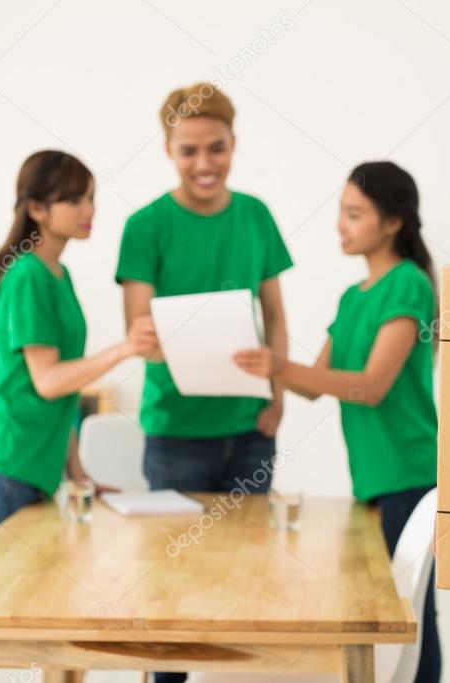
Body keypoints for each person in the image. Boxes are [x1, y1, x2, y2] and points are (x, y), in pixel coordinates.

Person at [234, 161, 442, 683]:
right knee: (389, 614)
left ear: (392, 223)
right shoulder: (354, 297)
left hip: (411, 476)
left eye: (354, 214)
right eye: (341, 213)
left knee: (408, 618)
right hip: (374, 481)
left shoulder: (408, 285)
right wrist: (260, 362)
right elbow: (313, 382)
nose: (340, 225)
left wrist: (281, 366)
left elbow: (370, 387)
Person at [0, 149, 158, 683]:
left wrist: (80, 475)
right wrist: (123, 350)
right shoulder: (27, 276)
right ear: (38, 209)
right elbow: (49, 379)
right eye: (73, 199)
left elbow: (60, 396)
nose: (88, 208)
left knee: (45, 604)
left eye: (91, 196)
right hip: (3, 466)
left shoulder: (58, 274)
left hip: (36, 468)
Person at [115, 82, 292, 496]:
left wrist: (278, 398)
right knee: (175, 556)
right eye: (188, 151)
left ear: (234, 143)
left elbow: (274, 315)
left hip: (253, 428)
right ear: (168, 150)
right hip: (176, 431)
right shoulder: (145, 227)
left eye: (217, 148)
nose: (204, 164)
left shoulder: (256, 215)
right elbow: (141, 334)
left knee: (250, 556)